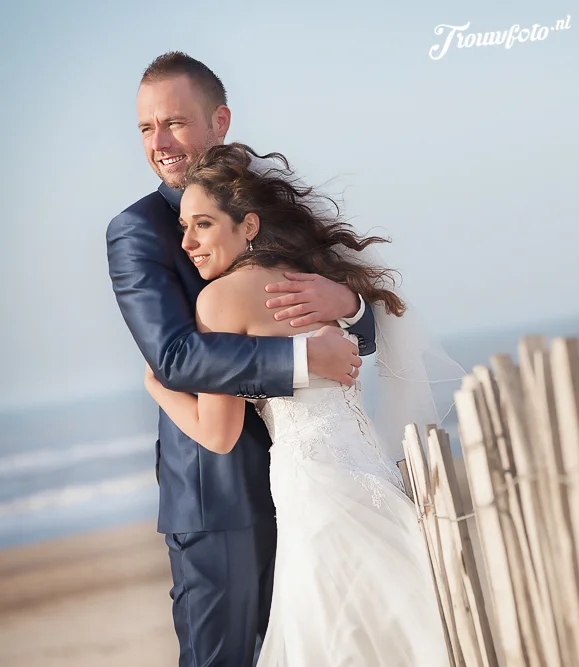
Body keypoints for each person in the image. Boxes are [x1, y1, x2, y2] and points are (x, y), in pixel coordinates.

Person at [106, 52, 377, 666]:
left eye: (174, 122)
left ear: (219, 120)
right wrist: (304, 361)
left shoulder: (266, 209)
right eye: (147, 128)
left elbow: (359, 337)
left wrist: (349, 302)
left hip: (313, 483)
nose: (160, 142)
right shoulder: (139, 230)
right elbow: (176, 355)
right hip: (217, 495)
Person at [142, 141, 454, 667]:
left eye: (203, 224)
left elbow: (217, 433)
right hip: (373, 479)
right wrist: (351, 305)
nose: (189, 242)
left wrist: (158, 383)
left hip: (310, 490)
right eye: (183, 228)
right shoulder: (312, 280)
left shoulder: (217, 299)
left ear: (248, 226)